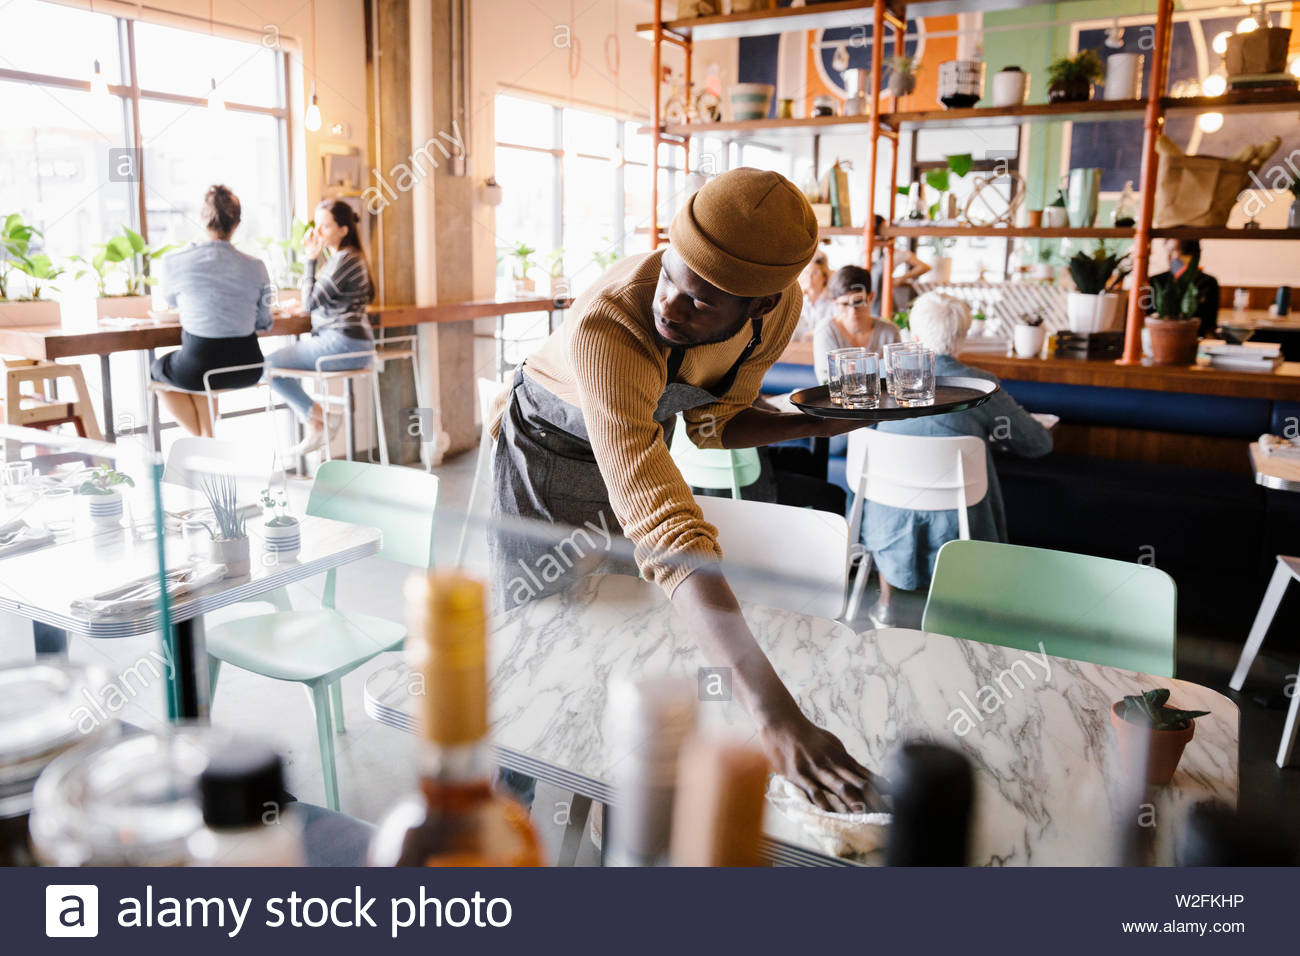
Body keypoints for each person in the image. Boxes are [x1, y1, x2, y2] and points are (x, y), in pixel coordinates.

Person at [490, 168, 882, 812]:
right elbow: (666, 528)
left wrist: (844, 416)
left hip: (637, 439)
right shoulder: (609, 327)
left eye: (699, 302)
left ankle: (599, 805)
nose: (668, 304)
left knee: (619, 637)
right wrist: (774, 715)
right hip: (546, 451)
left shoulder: (774, 311)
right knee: (545, 645)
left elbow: (712, 425)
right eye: (668, 275)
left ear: (757, 306)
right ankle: (509, 818)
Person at [862, 292, 1052, 626]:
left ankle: (886, 603)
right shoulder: (979, 386)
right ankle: (964, 615)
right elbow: (1037, 443)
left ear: (914, 336)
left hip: (886, 524)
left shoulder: (879, 379)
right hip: (961, 529)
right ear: (961, 338)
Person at [151, 185, 272, 437]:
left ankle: (202, 442)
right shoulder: (257, 266)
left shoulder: (174, 261)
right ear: (237, 223)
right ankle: (209, 440)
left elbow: (170, 300)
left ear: (203, 218)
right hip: (248, 367)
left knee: (159, 371)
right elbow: (263, 322)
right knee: (201, 371)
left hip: (199, 366)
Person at [270, 199, 375, 457]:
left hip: (343, 344)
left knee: (267, 367)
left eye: (325, 226)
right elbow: (319, 302)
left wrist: (310, 259)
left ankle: (322, 419)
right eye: (317, 226)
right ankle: (317, 422)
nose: (318, 233)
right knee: (278, 366)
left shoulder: (344, 259)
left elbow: (309, 303)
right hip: (352, 343)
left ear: (343, 229)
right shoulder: (346, 259)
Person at [812, 265, 901, 383]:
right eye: (844, 304)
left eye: (858, 301)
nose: (852, 311)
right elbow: (827, 382)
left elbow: (898, 378)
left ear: (871, 297)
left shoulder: (889, 332)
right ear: (835, 303)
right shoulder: (826, 331)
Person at [1149, 238, 1220, 338]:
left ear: (1190, 255)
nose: (1169, 256)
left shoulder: (1208, 282)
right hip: (1159, 338)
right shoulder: (1155, 281)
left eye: (1174, 250)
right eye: (1168, 251)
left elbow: (1210, 325)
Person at [870, 214, 930, 318]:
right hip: (865, 304)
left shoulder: (893, 253)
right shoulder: (865, 251)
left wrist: (900, 278)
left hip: (883, 306)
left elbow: (924, 267)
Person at [793, 250, 832, 340]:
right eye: (806, 272)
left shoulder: (833, 301)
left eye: (815, 273)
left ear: (824, 277)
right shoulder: (797, 302)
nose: (810, 277)